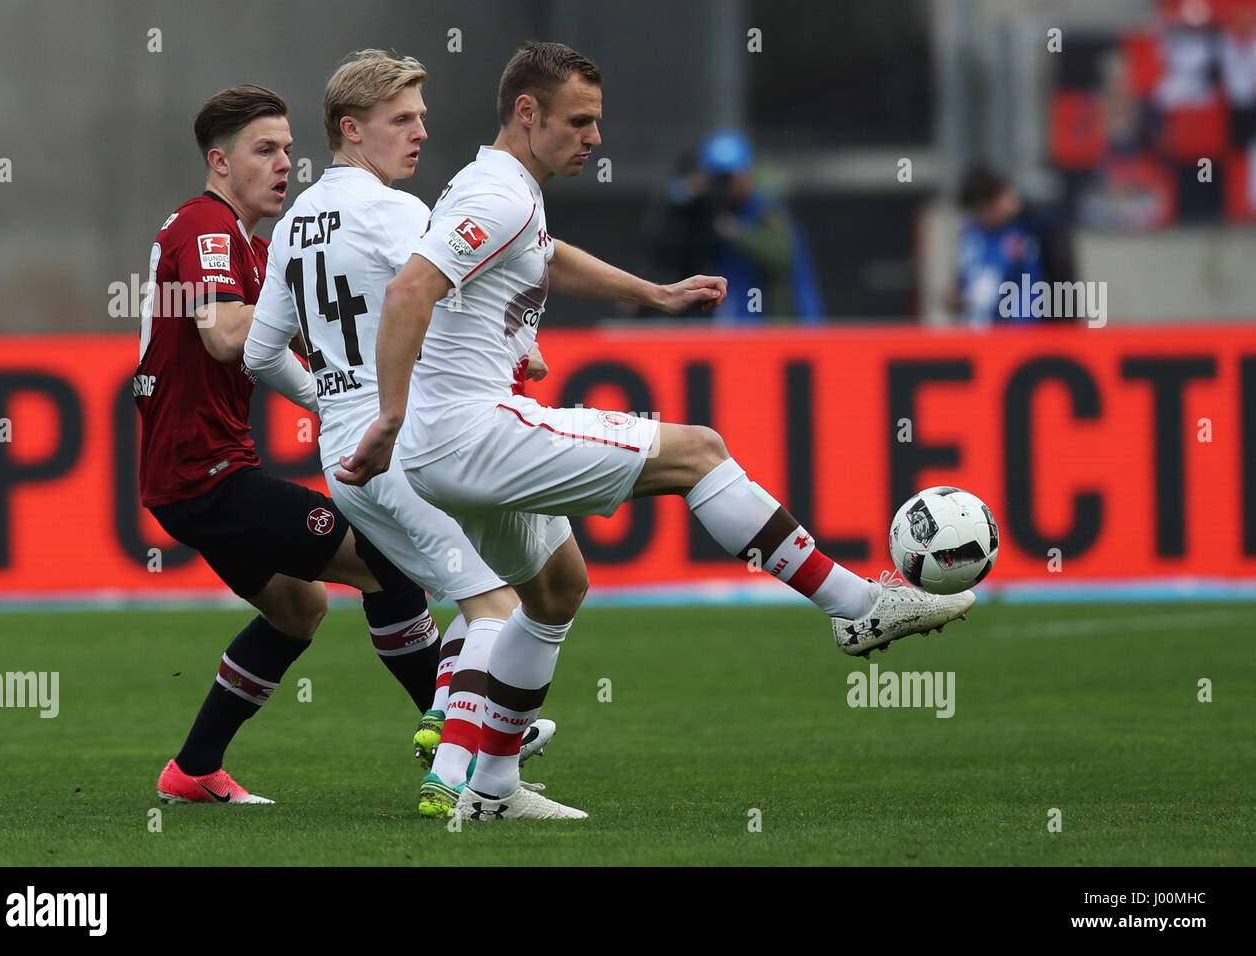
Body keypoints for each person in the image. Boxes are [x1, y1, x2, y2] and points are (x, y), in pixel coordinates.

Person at [338, 41, 975, 821]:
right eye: (580, 122)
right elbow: (410, 288)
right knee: (699, 451)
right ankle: (853, 606)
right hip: (470, 434)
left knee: (557, 591)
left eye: (597, 123)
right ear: (527, 113)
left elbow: (544, 257)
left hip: (454, 446)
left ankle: (493, 790)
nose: (595, 139)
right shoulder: (497, 195)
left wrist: (654, 293)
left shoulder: (503, 189)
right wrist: (391, 417)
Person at [242, 51, 553, 818]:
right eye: (402, 120)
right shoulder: (401, 214)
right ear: (352, 129)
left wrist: (334, 402)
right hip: (406, 441)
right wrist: (523, 345)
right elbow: (451, 297)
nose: (420, 131)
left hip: (345, 450)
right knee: (500, 607)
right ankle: (455, 771)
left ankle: (450, 715)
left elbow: (258, 353)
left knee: (468, 594)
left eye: (421, 116)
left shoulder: (291, 228)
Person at [135, 85, 444, 805]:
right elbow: (221, 336)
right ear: (219, 162)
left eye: (288, 151)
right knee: (386, 564)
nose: (284, 166)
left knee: (298, 609)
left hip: (199, 477)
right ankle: (468, 733)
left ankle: (192, 770)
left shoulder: (259, 245)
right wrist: (288, 304)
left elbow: (314, 339)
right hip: (204, 476)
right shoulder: (207, 230)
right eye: (264, 151)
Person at [648, 129, 824, 323]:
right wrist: (687, 193)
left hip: (774, 323)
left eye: (728, 177)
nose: (724, 185)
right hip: (731, 323)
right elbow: (666, 244)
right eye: (717, 178)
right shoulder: (711, 211)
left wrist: (736, 233)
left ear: (746, 173)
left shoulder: (766, 207)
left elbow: (781, 256)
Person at [952, 164, 1077, 326]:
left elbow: (1061, 273)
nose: (981, 219)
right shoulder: (972, 234)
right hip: (981, 336)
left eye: (982, 212)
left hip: (1026, 334)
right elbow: (963, 280)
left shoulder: (1034, 229)